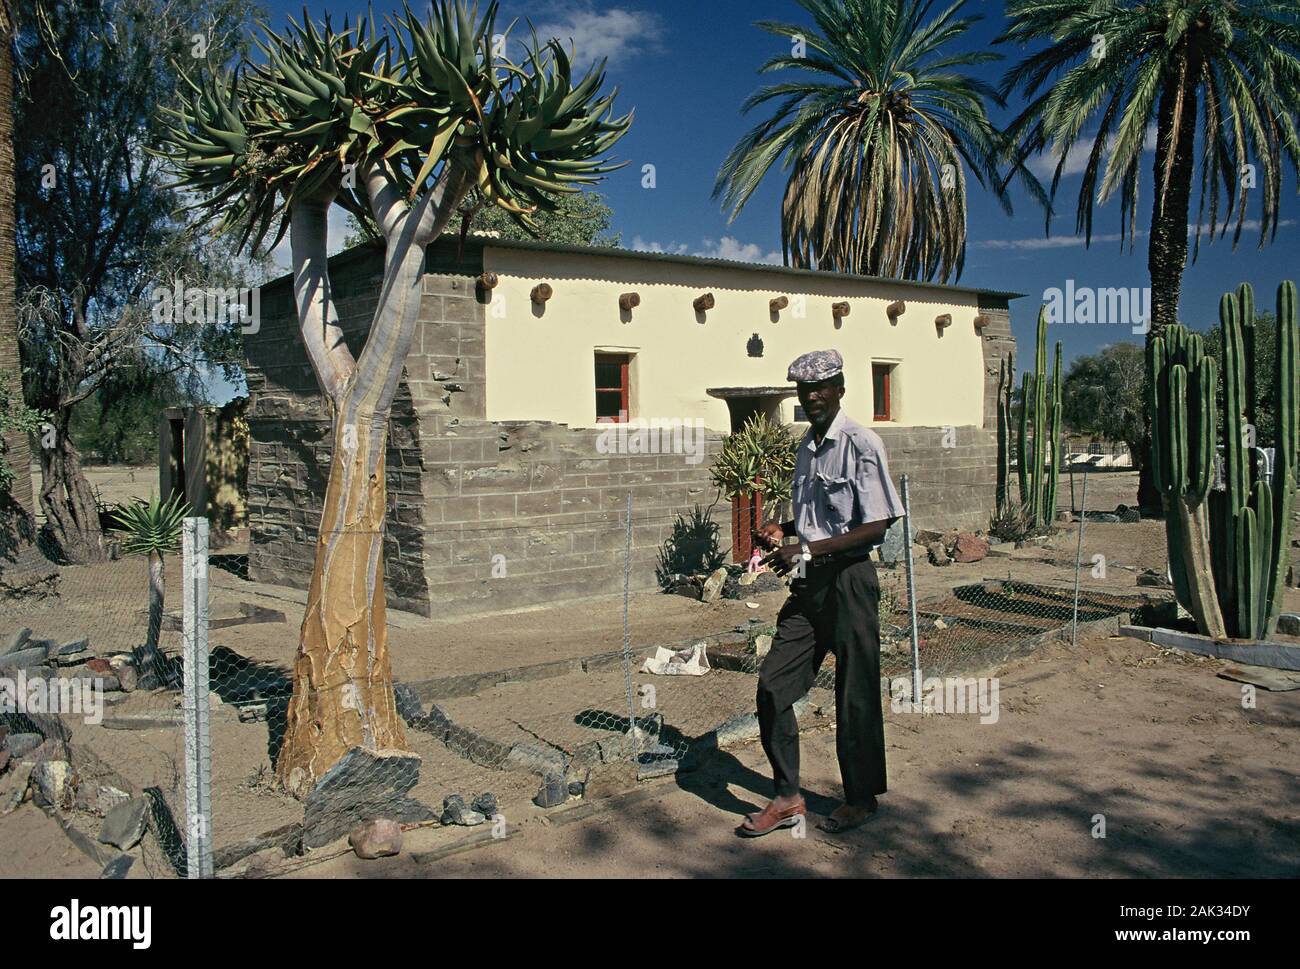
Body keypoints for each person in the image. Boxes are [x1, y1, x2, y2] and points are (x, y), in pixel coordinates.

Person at [739, 349, 904, 837]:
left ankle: (860, 798)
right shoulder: (806, 449)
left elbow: (876, 526)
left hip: (850, 581)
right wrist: (782, 528)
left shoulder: (861, 443)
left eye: (821, 387)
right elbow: (817, 518)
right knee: (772, 686)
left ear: (839, 389)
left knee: (855, 693)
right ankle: (788, 797)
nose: (811, 396)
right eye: (803, 389)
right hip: (810, 586)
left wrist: (805, 548)